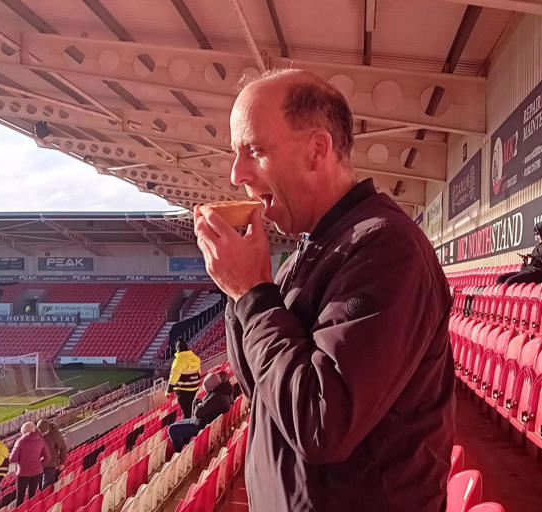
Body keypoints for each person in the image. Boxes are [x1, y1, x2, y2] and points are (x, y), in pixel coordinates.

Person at [194, 69, 455, 511]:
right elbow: (259, 387)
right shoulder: (312, 249)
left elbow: (321, 422)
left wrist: (254, 293)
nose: (237, 173)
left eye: (254, 151)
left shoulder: (386, 248)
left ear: (317, 150)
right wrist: (238, 292)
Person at [167, 372, 233, 452]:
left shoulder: (217, 396)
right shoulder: (224, 391)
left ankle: (182, 453)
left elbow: (198, 412)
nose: (207, 393)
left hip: (202, 427)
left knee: (172, 429)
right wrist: (198, 404)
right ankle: (187, 447)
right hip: (204, 422)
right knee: (176, 424)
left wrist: (196, 403)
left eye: (207, 391)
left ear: (211, 388)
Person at [496, 221, 542, 285]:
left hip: (538, 275)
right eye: (535, 235)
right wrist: (527, 261)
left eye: (538, 234)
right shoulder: (539, 246)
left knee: (509, 282)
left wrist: (533, 261)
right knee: (500, 279)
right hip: (529, 271)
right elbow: (535, 261)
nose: (536, 238)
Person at [10, 421, 50, 505]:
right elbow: (47, 457)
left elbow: (13, 459)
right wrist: (39, 464)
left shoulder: (20, 442)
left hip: (23, 473)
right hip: (37, 472)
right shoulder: (41, 441)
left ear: (23, 432)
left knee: (20, 497)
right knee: (32, 495)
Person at [166, 339, 202, 419]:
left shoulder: (179, 360)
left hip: (183, 390)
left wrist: (169, 391)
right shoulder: (195, 357)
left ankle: (188, 424)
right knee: (190, 409)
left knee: (186, 412)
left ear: (177, 349)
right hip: (194, 388)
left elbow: (174, 376)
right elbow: (199, 372)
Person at [37, 419, 67, 489]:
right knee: (40, 487)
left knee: (46, 487)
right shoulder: (36, 433)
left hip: (50, 464)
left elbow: (63, 447)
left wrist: (62, 462)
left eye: (44, 432)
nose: (43, 434)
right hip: (39, 465)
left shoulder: (55, 434)